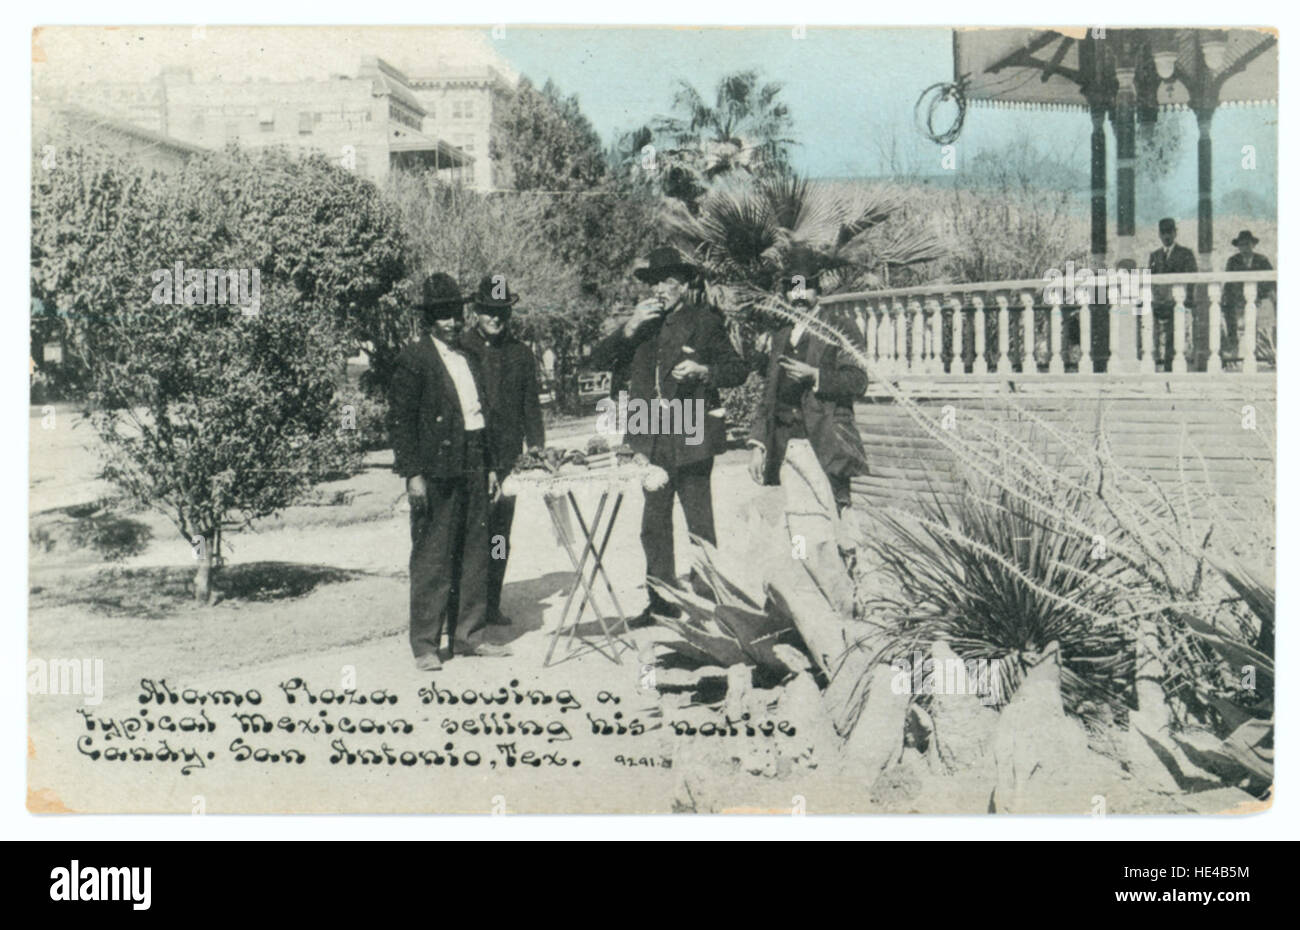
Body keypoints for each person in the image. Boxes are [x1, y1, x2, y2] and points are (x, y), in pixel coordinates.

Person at [588, 247, 746, 627]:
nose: (661, 289)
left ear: (684, 284)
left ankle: (712, 605)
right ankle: (661, 604)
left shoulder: (704, 320)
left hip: (691, 431)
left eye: (669, 281)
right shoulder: (640, 324)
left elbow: (737, 369)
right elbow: (596, 360)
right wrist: (628, 328)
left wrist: (703, 370)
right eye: (655, 281)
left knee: (699, 524)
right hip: (650, 435)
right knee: (653, 525)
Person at [390, 273, 511, 671]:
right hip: (437, 468)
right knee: (432, 557)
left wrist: (491, 468)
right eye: (444, 315)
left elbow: (483, 417)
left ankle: (469, 636)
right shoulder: (414, 358)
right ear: (430, 318)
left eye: (457, 314)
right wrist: (412, 474)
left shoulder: (470, 357)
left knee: (476, 552)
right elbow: (402, 421)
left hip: (475, 460)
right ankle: (425, 645)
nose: (453, 322)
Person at [747, 252, 868, 513]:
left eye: (805, 288)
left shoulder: (841, 328)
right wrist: (758, 444)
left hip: (826, 442)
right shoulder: (781, 335)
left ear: (818, 291)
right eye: (792, 289)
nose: (798, 296)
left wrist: (816, 376)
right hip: (784, 444)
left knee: (835, 520)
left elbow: (858, 381)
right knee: (797, 523)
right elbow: (769, 394)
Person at [459, 275, 545, 627]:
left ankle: (492, 601)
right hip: (470, 457)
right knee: (468, 534)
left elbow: (531, 407)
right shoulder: (462, 350)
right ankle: (465, 610)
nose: (495, 318)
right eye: (488, 311)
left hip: (508, 459)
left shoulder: (521, 354)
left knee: (498, 536)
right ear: (476, 311)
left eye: (501, 311)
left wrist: (537, 448)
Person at [1148, 217, 1198, 370]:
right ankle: (1153, 365)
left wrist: (1185, 300)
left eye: (1169, 232)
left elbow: (1192, 279)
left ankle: (1170, 368)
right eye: (1163, 233)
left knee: (1173, 336)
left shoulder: (1185, 253)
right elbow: (1150, 280)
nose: (1166, 236)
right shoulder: (1155, 256)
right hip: (1159, 304)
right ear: (1159, 234)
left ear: (1175, 233)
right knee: (1148, 330)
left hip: (1177, 303)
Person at [1221, 230, 1274, 363]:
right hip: (1238, 301)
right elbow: (1228, 284)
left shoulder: (1262, 260)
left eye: (1247, 244)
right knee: (1230, 314)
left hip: (1259, 299)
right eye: (1242, 245)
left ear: (1253, 245)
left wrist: (1261, 296)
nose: (1245, 248)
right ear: (1238, 246)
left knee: (1263, 318)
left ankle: (1264, 352)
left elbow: (1271, 282)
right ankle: (1234, 349)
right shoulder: (1233, 261)